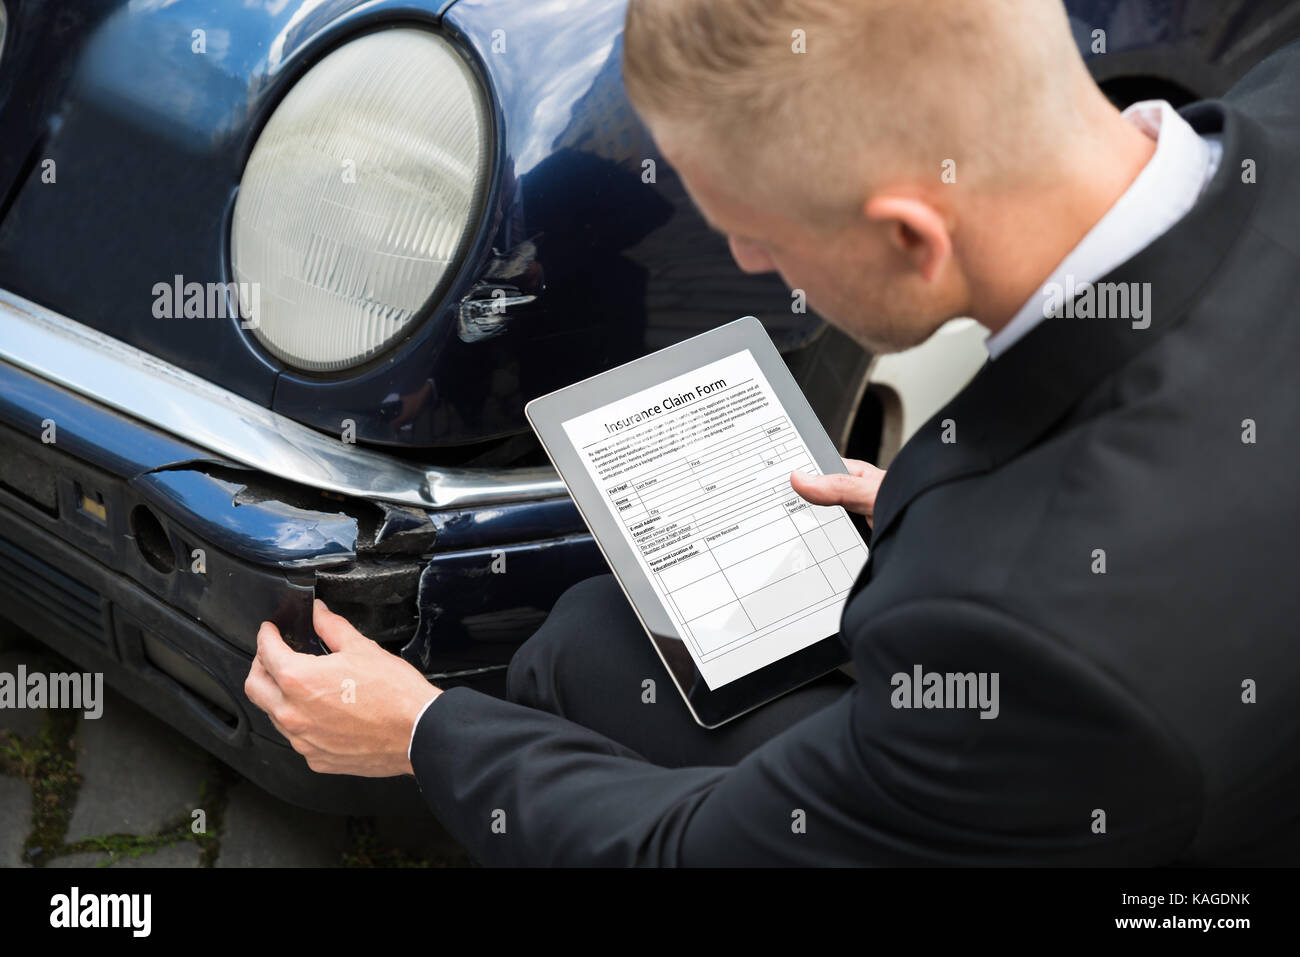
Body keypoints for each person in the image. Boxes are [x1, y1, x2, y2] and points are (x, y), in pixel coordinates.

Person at [244, 0, 1300, 865]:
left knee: (581, 652)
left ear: (907, 236)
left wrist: (422, 733)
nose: (747, 260)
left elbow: (691, 855)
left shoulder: (1029, 648)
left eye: (756, 231)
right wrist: (935, 506)